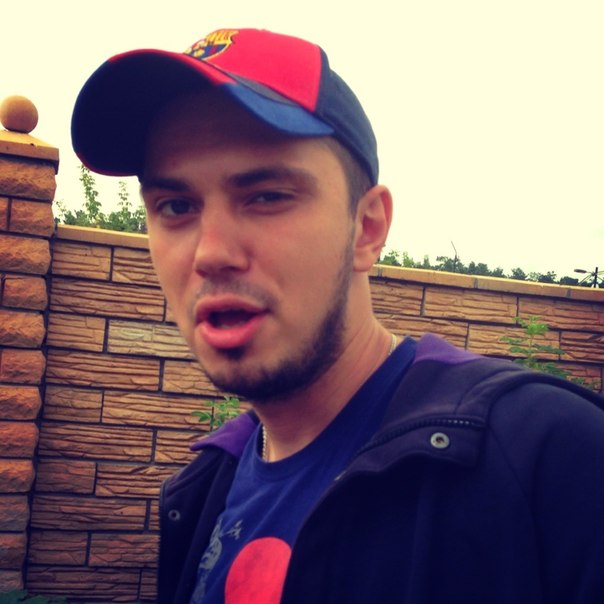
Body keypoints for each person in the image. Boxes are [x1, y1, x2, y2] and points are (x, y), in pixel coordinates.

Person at [71, 28, 604, 604]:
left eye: (267, 195)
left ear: (367, 229)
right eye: (176, 206)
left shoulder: (551, 457)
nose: (211, 253)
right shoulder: (202, 492)